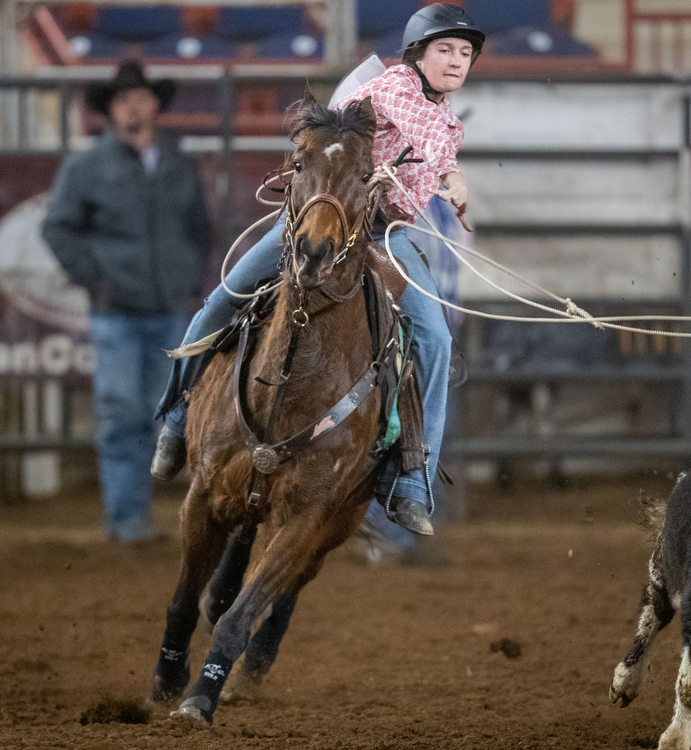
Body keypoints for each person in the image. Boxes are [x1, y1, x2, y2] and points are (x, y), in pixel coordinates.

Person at [151, 4, 485, 539]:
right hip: (323, 220)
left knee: (436, 341)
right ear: (416, 55)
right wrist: (453, 176)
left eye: (465, 53)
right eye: (444, 49)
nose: (456, 61)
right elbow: (425, 132)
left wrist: (441, 176)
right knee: (226, 296)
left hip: (384, 237)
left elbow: (432, 145)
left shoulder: (449, 124)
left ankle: (412, 481)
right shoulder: (395, 87)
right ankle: (174, 421)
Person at [43, 61, 210, 542]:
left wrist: (189, 277)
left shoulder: (177, 161)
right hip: (117, 310)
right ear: (111, 110)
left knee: (171, 418)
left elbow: (200, 227)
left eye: (140, 97)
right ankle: (127, 522)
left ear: (154, 104)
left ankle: (158, 522)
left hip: (167, 309)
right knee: (124, 416)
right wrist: (95, 279)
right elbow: (57, 229)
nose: (133, 106)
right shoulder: (87, 166)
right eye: (123, 99)